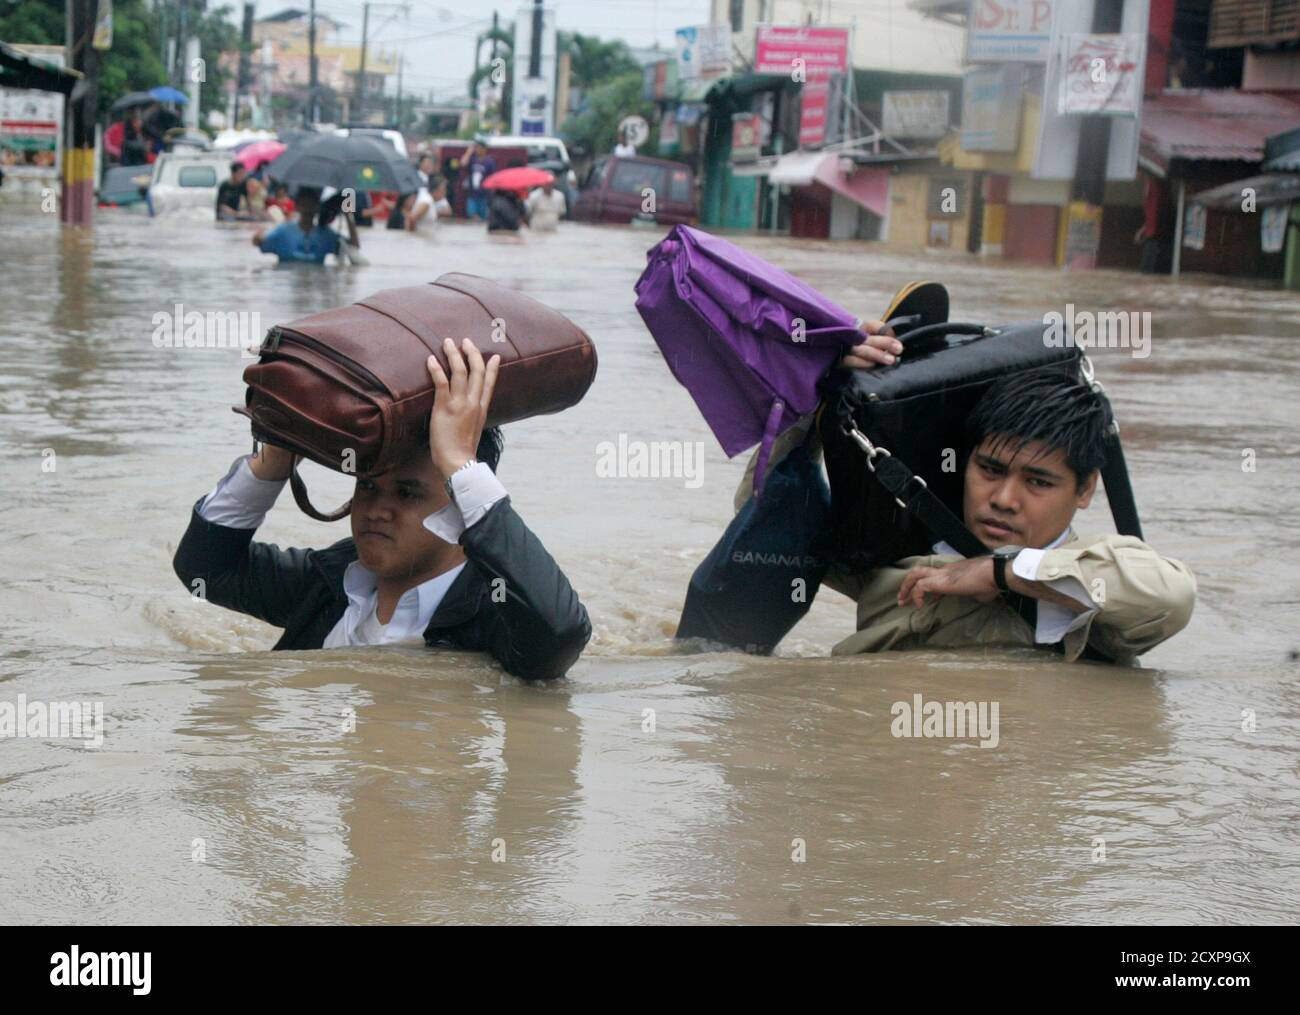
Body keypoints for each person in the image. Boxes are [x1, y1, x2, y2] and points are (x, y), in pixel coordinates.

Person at [733, 326, 1197, 663]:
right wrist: (814, 398)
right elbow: (767, 520)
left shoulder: (1093, 594)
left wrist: (1001, 574)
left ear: (1086, 489)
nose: (1004, 499)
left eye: (1038, 482)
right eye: (990, 469)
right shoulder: (893, 551)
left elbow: (1172, 597)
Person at [172, 340, 591, 679]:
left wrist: (460, 461)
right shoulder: (329, 582)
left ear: (461, 507)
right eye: (368, 486)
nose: (378, 510)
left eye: (407, 494)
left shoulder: (490, 611)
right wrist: (276, 459)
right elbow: (205, 573)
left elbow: (558, 638)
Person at [251, 187, 356, 264]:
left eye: (311, 205)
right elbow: (259, 243)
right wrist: (258, 237)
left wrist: (348, 216)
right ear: (297, 206)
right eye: (304, 204)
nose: (308, 209)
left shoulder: (325, 235)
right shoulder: (283, 232)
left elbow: (353, 246)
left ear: (317, 207)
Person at [463, 142, 496, 221]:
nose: (476, 150)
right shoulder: (472, 160)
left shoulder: (489, 162)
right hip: (472, 195)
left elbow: (492, 178)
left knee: (484, 218)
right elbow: (463, 164)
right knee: (472, 215)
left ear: (484, 149)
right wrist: (468, 152)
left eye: (478, 148)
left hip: (484, 195)